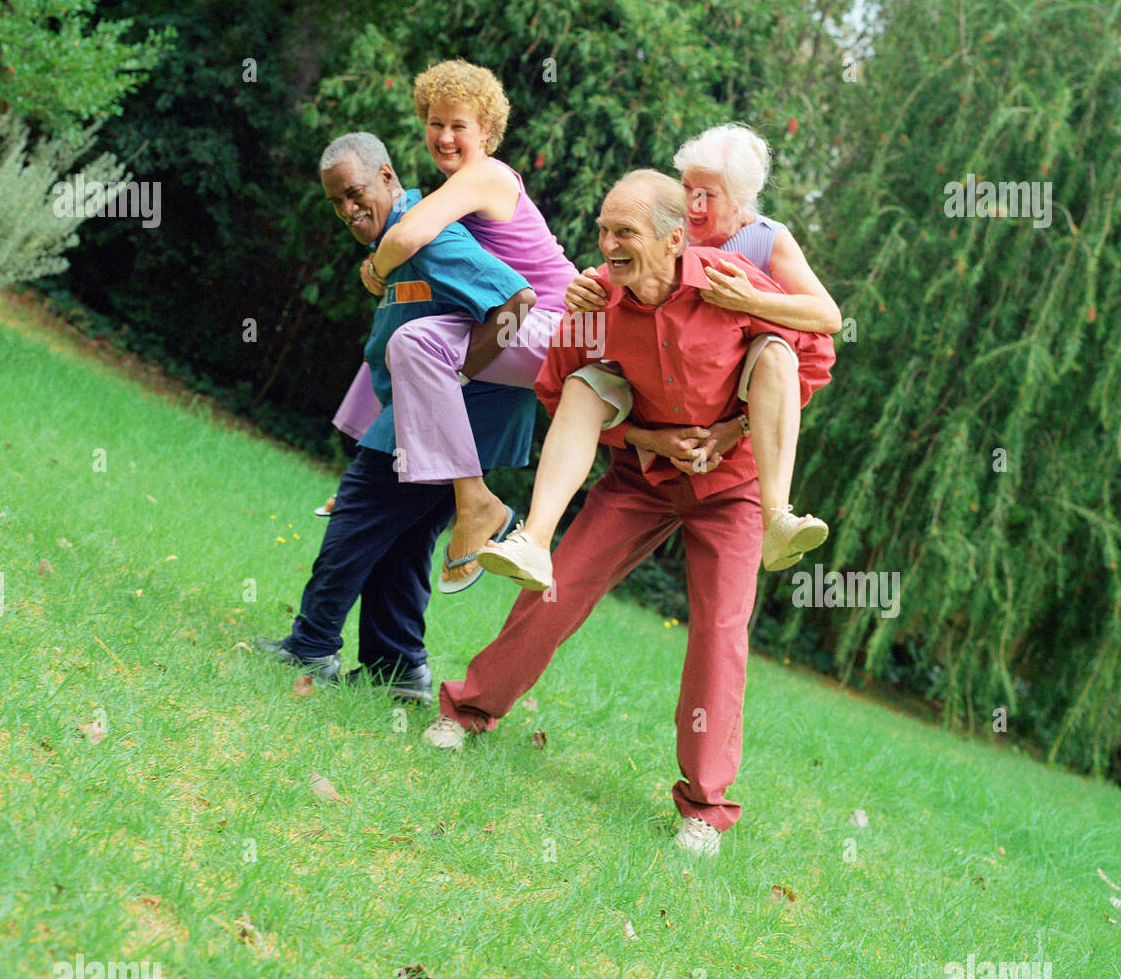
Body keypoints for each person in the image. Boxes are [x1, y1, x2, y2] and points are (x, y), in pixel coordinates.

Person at [423, 171, 832, 857]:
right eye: (604, 230)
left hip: (730, 486)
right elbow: (560, 392)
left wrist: (729, 435)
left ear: (675, 239)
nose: (608, 244)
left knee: (720, 635)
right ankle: (468, 709)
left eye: (625, 233)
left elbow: (809, 356)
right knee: (555, 589)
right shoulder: (594, 296)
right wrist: (646, 440)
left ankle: (705, 807)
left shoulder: (730, 280)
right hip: (640, 476)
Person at [478, 123, 841, 589]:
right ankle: (534, 539)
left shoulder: (764, 241)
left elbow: (825, 320)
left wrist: (749, 304)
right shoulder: (660, 233)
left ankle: (778, 515)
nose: (691, 204)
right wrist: (583, 287)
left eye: (706, 194)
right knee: (583, 383)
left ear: (741, 198)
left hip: (731, 425)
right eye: (687, 188)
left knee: (776, 351)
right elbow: (618, 263)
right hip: (650, 415)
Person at [254, 132, 536, 703]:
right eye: (336, 203)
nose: (348, 210)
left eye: (354, 193)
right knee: (405, 540)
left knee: (357, 516)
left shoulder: (425, 237)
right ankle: (398, 667)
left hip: (439, 417)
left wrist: (457, 380)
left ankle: (312, 645)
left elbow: (515, 299)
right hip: (432, 417)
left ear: (387, 176)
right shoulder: (396, 243)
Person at [329, 59, 579, 592]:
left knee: (416, 340)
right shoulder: (462, 185)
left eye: (458, 125)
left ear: (486, 132)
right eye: (435, 122)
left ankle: (477, 504)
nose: (444, 136)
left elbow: (408, 234)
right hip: (527, 328)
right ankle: (372, 471)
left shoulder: (485, 175)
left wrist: (374, 270)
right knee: (409, 318)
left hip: (554, 328)